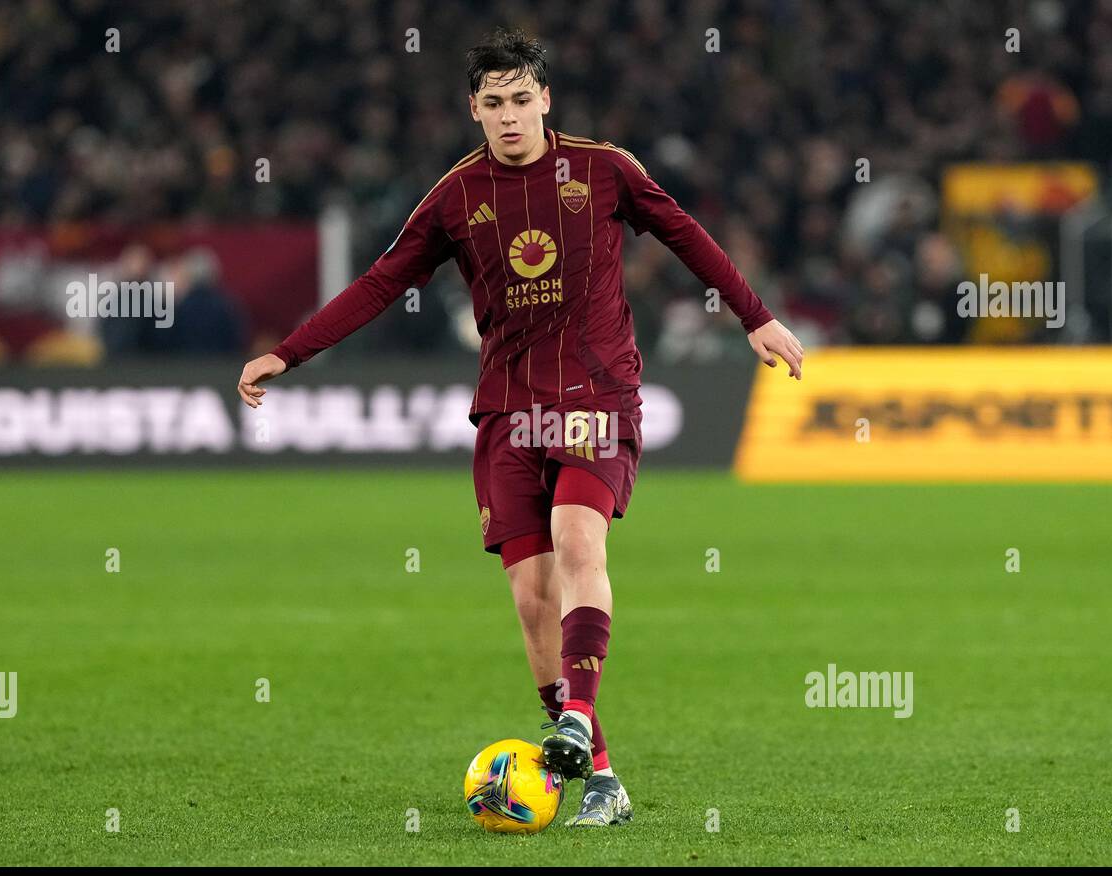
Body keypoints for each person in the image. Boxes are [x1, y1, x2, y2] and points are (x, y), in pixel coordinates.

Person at [237, 27, 803, 828]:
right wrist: (288, 356)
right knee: (532, 600)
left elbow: (686, 234)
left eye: (521, 99)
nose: (509, 116)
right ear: (474, 108)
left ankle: (573, 718)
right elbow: (378, 283)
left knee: (579, 542)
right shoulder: (455, 197)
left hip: (596, 397)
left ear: (546, 99)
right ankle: (601, 775)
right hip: (508, 410)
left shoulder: (604, 170)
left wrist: (756, 318)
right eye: (493, 103)